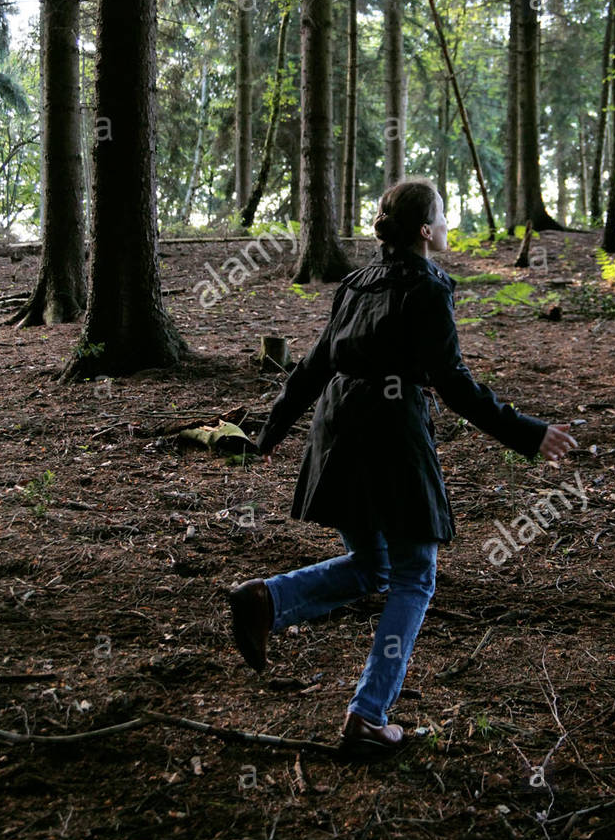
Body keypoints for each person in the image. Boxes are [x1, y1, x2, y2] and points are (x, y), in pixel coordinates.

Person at [230, 178, 577, 753]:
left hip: (337, 427)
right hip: (390, 435)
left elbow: (314, 367)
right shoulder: (428, 286)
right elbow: (454, 385)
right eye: (442, 215)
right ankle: (368, 716)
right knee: (415, 573)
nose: (446, 225)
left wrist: (272, 432)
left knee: (372, 565)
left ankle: (267, 600)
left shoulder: (354, 283)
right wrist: (529, 432)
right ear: (423, 229)